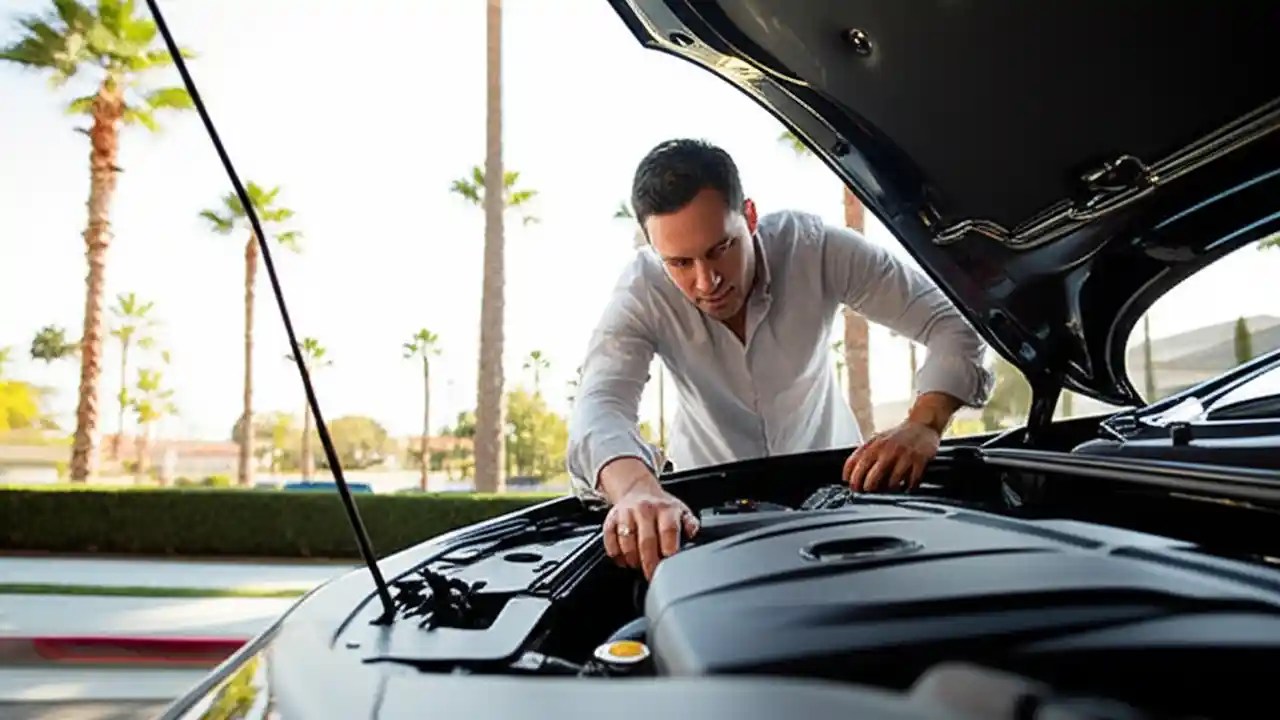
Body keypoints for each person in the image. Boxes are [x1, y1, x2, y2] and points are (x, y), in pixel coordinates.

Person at [566, 138, 992, 579]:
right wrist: (636, 489)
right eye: (679, 263)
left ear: (749, 216)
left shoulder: (815, 249)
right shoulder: (642, 289)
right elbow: (599, 405)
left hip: (842, 499)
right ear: (656, 253)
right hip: (706, 524)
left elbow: (954, 318)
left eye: (720, 248)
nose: (706, 280)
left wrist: (924, 423)